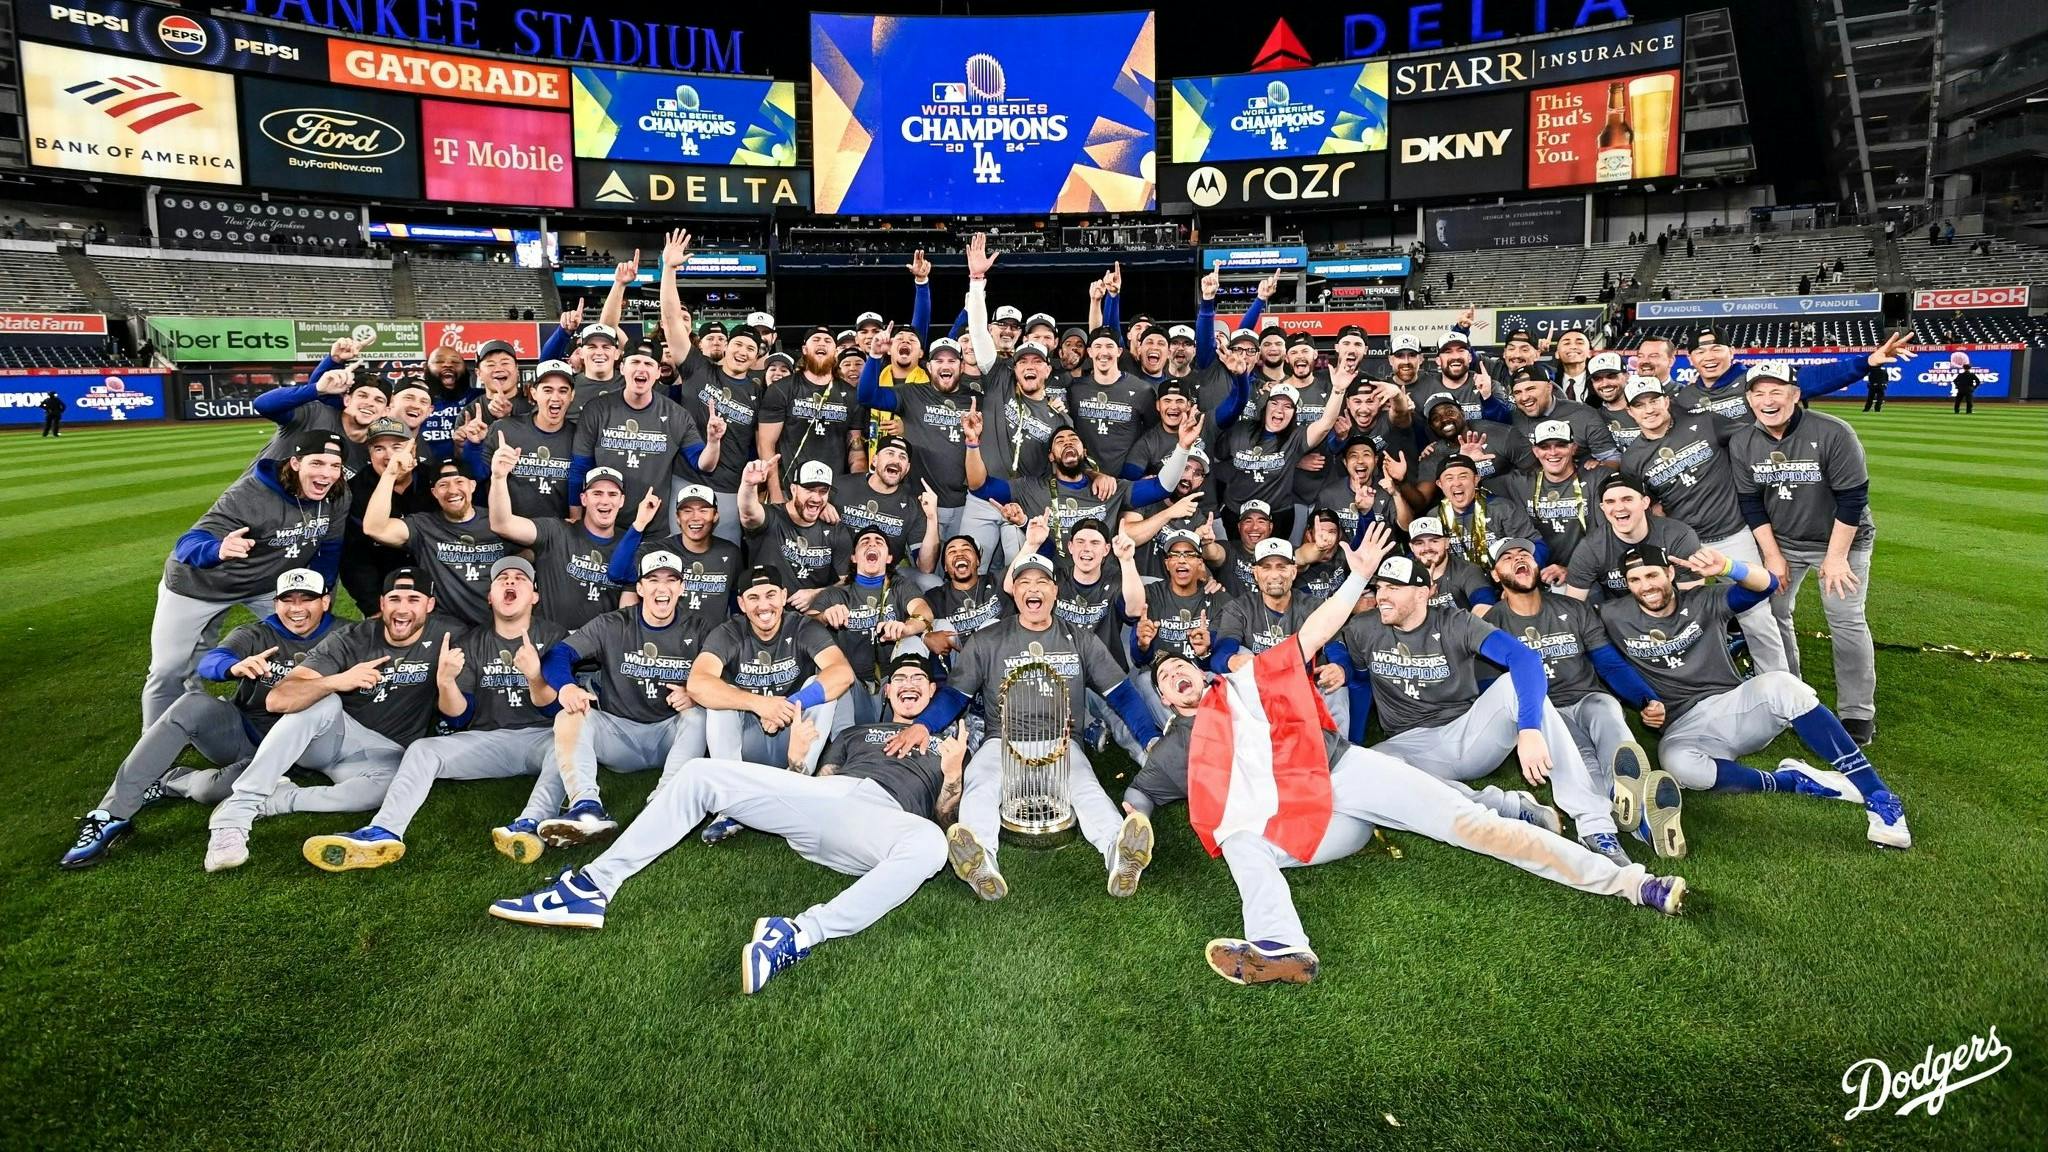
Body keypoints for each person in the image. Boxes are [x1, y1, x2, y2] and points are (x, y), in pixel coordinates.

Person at [1131, 534, 1683, 985]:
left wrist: (1356, 577)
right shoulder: (1177, 744)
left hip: (1344, 773)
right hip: (1314, 824)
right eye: (1162, 680)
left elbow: (1315, 632)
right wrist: (1130, 830)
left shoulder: (1242, 683)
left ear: (1201, 672)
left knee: (1473, 828)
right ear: (1165, 700)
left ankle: (1631, 882)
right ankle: (1281, 947)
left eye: (1178, 667)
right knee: (1237, 838)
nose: (1172, 677)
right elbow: (1144, 794)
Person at [486, 652, 964, 996]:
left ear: (931, 693)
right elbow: (813, 786)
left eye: (917, 679)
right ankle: (592, 886)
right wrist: (797, 759)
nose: (908, 682)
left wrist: (953, 776)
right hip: (825, 802)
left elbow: (944, 816)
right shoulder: (855, 732)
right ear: (887, 690)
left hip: (883, 821)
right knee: (700, 773)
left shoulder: (946, 746)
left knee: (930, 846)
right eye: (898, 675)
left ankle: (796, 934)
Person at [1339, 527, 1629, 864]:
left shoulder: (1456, 622)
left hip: (1469, 734)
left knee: (1512, 685)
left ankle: (1596, 826)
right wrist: (1354, 741)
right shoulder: (1363, 629)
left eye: (1393, 588)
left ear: (1423, 593)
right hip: (1410, 744)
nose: (1381, 596)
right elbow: (1359, 685)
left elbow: (1523, 658)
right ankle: (1506, 807)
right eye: (1379, 588)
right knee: (1365, 770)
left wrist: (1530, 728)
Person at [1598, 545, 1909, 851]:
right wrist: (1643, 702)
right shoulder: (1615, 616)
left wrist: (1728, 567)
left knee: (1784, 686)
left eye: (1652, 575)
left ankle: (1879, 797)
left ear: (1669, 573)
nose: (1645, 586)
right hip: (1684, 725)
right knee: (1678, 766)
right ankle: (1792, 781)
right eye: (1635, 580)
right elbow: (1600, 656)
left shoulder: (1704, 601)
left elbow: (1768, 585)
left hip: (1736, 706)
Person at [300, 558, 565, 870]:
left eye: (520, 578)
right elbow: (458, 718)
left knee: (569, 744)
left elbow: (555, 707)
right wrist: (445, 682)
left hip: (541, 738)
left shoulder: (556, 637)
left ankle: (530, 824)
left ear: (534, 595)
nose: (510, 582)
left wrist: (535, 675)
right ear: (490, 596)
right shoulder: (471, 640)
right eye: (502, 578)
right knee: (423, 749)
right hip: (487, 741)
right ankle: (383, 831)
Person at [64, 570, 336, 869]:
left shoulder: (347, 634)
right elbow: (212, 661)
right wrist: (234, 667)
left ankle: (170, 781)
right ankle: (111, 816)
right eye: (288, 600)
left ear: (325, 601)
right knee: (192, 704)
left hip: (296, 751)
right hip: (243, 734)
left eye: (306, 598)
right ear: (275, 603)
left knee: (213, 791)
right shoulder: (255, 633)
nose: (296, 608)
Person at [935, 554, 1162, 902]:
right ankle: (980, 861)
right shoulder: (989, 639)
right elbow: (954, 695)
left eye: (1041, 582)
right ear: (1013, 591)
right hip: (1003, 742)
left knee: (1087, 789)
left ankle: (1120, 854)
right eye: (1024, 582)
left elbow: (1123, 694)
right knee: (979, 786)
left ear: (1055, 591)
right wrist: (922, 726)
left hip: (1060, 743)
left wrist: (1149, 738)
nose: (1033, 588)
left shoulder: (1080, 639)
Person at [204, 568, 462, 872]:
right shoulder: (352, 638)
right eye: (394, 599)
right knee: (321, 700)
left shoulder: (449, 635)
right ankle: (236, 814)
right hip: (335, 736)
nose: (402, 609)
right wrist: (337, 681)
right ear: (381, 603)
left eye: (413, 599)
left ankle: (279, 800)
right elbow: (278, 700)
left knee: (393, 789)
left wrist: (446, 681)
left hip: (383, 754)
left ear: (429, 605)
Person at [499, 550, 708, 858]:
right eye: (652, 580)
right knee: (570, 717)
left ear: (682, 587)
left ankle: (665, 802)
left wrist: (694, 692)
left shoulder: (700, 627)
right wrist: (568, 686)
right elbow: (559, 655)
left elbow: (726, 674)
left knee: (699, 715)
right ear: (640, 588)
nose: (661, 588)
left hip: (670, 734)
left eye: (671, 580)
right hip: (619, 733)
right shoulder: (613, 624)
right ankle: (586, 807)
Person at [144, 430, 348, 728]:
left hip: (266, 586)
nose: (326, 473)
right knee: (169, 667)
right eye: (317, 463)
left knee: (312, 640)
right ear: (295, 463)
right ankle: (154, 737)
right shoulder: (250, 494)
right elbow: (188, 542)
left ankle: (299, 716)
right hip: (199, 585)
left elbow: (329, 548)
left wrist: (320, 594)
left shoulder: (337, 495)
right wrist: (218, 549)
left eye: (334, 466)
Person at [1728, 363, 1879, 744]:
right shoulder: (1743, 441)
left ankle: (1857, 713)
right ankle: (1793, 695)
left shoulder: (1832, 431)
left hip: (1842, 541)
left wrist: (1835, 557)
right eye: (1758, 393)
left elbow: (1852, 498)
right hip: (1786, 543)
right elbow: (1751, 504)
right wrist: (1773, 556)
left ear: (1796, 395)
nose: (1768, 400)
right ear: (1748, 399)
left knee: (1844, 620)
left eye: (1777, 391)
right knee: (1774, 612)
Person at [1618, 378, 1789, 673]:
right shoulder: (1633, 458)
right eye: (1639, 405)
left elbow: (1752, 440)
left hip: (1734, 534)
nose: (1649, 409)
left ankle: (1781, 690)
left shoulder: (1706, 422)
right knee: (1687, 620)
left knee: (1757, 616)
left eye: (1654, 400)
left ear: (1666, 401)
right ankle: (1704, 685)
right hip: (1688, 545)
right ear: (1630, 413)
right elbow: (1652, 506)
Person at [362, 451, 508, 627]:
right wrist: (390, 474)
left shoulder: (499, 522)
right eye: (443, 485)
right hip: (446, 628)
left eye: (459, 482)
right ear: (434, 492)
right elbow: (374, 528)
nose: (452, 490)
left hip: (498, 625)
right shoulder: (424, 526)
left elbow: (530, 553)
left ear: (473, 485)